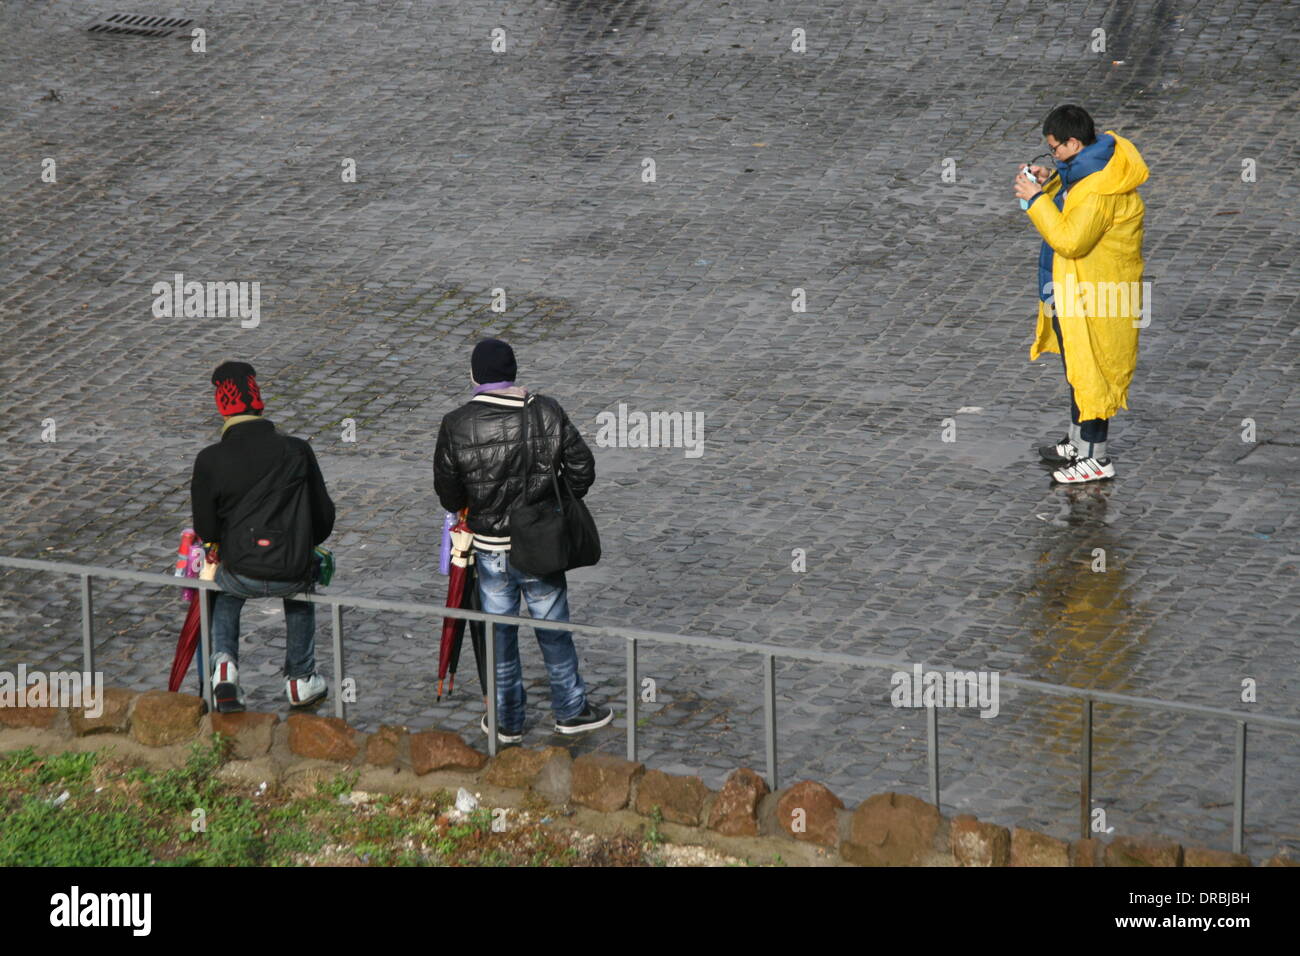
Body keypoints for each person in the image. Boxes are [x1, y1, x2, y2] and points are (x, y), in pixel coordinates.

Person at [433, 338, 610, 744]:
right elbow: (583, 469)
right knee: (554, 632)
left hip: (490, 550)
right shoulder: (546, 411)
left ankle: (507, 720)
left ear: (475, 377)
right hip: (542, 547)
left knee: (500, 639)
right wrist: (553, 502)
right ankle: (571, 710)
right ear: (512, 372)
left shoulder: (456, 423)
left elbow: (448, 494)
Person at [1014, 104, 1149, 484]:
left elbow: (1071, 239)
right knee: (1078, 368)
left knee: (1094, 370)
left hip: (1098, 294)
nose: (1052, 155)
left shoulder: (1099, 189)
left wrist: (1035, 200)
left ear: (1074, 143)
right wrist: (1049, 184)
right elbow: (1074, 202)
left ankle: (1096, 457)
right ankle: (1079, 442)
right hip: (1076, 288)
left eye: (1054, 150)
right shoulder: (1087, 169)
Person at [191, 361, 336, 712]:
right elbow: (324, 517)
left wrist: (218, 544)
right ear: (259, 401)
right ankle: (300, 679)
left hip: (240, 571)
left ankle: (224, 668)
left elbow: (206, 531)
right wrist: (304, 545)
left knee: (224, 594)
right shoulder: (298, 451)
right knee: (303, 587)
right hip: (290, 570)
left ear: (221, 407)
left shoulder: (210, 460)